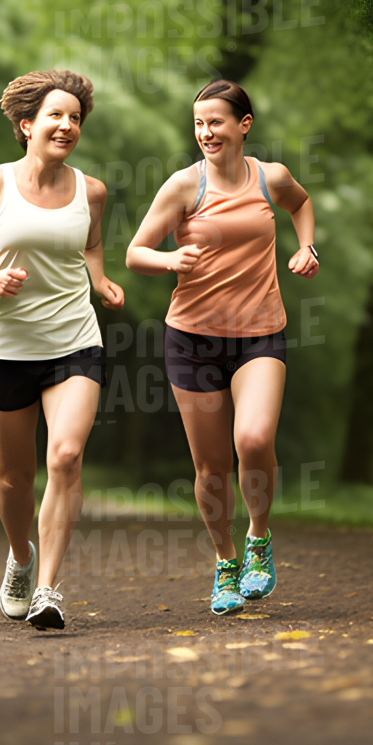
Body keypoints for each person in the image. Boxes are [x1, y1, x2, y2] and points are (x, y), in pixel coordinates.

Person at [0, 69, 123, 630]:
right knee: (15, 480)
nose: (67, 125)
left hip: (74, 342)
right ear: (26, 125)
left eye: (75, 118)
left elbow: (91, 242)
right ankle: (20, 558)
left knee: (65, 457)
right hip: (4, 349)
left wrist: (100, 279)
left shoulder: (92, 191)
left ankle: (50, 591)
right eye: (55, 116)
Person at [125, 79, 318, 615]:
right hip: (192, 339)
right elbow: (135, 252)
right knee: (211, 467)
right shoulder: (183, 188)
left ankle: (258, 540)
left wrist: (306, 246)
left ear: (243, 125)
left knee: (253, 440)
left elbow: (302, 204)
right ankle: (226, 562)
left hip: (259, 333)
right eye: (198, 124)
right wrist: (168, 260)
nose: (206, 132)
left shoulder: (270, 178)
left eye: (216, 122)